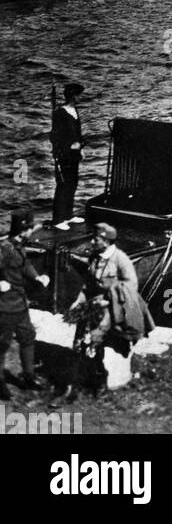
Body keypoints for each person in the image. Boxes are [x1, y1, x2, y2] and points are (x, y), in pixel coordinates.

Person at [63, 223, 154, 401]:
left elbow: (130, 287)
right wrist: (78, 301)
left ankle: (99, 383)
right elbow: (88, 284)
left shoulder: (121, 260)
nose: (92, 242)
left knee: (94, 341)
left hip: (113, 309)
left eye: (95, 239)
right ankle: (78, 383)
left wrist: (108, 300)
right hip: (93, 306)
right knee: (80, 343)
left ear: (106, 241)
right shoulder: (95, 257)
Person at [0, 208, 50, 399]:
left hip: (20, 304)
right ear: (23, 230)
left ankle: (29, 376)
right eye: (30, 228)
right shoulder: (4, 249)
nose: (32, 231)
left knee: (28, 337)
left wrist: (37, 277)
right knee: (2, 344)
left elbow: (25, 264)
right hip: (5, 307)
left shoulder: (19, 245)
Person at [51, 82, 85, 230]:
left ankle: (68, 215)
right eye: (79, 95)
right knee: (63, 185)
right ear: (73, 96)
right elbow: (55, 136)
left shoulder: (74, 110)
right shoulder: (60, 113)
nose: (80, 98)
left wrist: (80, 148)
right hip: (64, 154)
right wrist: (69, 146)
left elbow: (77, 133)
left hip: (74, 154)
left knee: (73, 183)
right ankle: (58, 219)